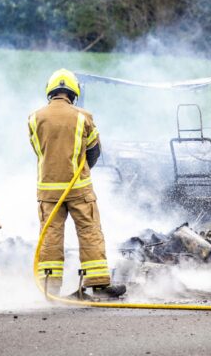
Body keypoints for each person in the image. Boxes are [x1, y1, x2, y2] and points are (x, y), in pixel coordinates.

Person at [28, 69, 126, 298]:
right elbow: (94, 150)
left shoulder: (34, 118)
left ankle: (50, 287)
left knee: (50, 235)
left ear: (50, 91)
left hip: (48, 190)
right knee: (89, 231)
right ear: (73, 93)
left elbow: (39, 150)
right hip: (78, 188)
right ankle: (99, 283)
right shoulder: (84, 117)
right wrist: (81, 170)